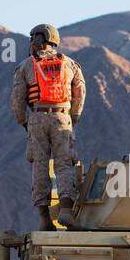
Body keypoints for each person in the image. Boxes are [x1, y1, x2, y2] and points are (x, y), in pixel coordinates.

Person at [10, 23, 86, 230]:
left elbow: (17, 99)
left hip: (37, 117)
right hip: (63, 118)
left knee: (40, 165)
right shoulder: (70, 64)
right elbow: (80, 93)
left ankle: (45, 219)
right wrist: (73, 117)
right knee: (64, 164)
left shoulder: (26, 65)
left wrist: (24, 121)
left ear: (39, 39)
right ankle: (66, 211)